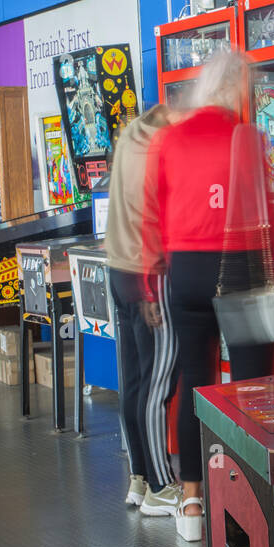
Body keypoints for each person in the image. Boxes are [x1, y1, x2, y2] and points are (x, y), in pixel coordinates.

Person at [148, 50, 274, 541]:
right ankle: (250, 503)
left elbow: (156, 208)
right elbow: (270, 213)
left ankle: (190, 502)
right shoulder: (246, 139)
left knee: (195, 379)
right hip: (241, 265)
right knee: (250, 388)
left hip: (184, 270)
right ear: (236, 91)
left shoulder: (169, 139)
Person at [105, 103, 180, 516]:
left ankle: (139, 477)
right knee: (158, 384)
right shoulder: (157, 148)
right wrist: (153, 289)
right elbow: (151, 219)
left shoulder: (128, 138)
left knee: (133, 380)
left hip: (119, 273)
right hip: (149, 277)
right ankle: (162, 487)